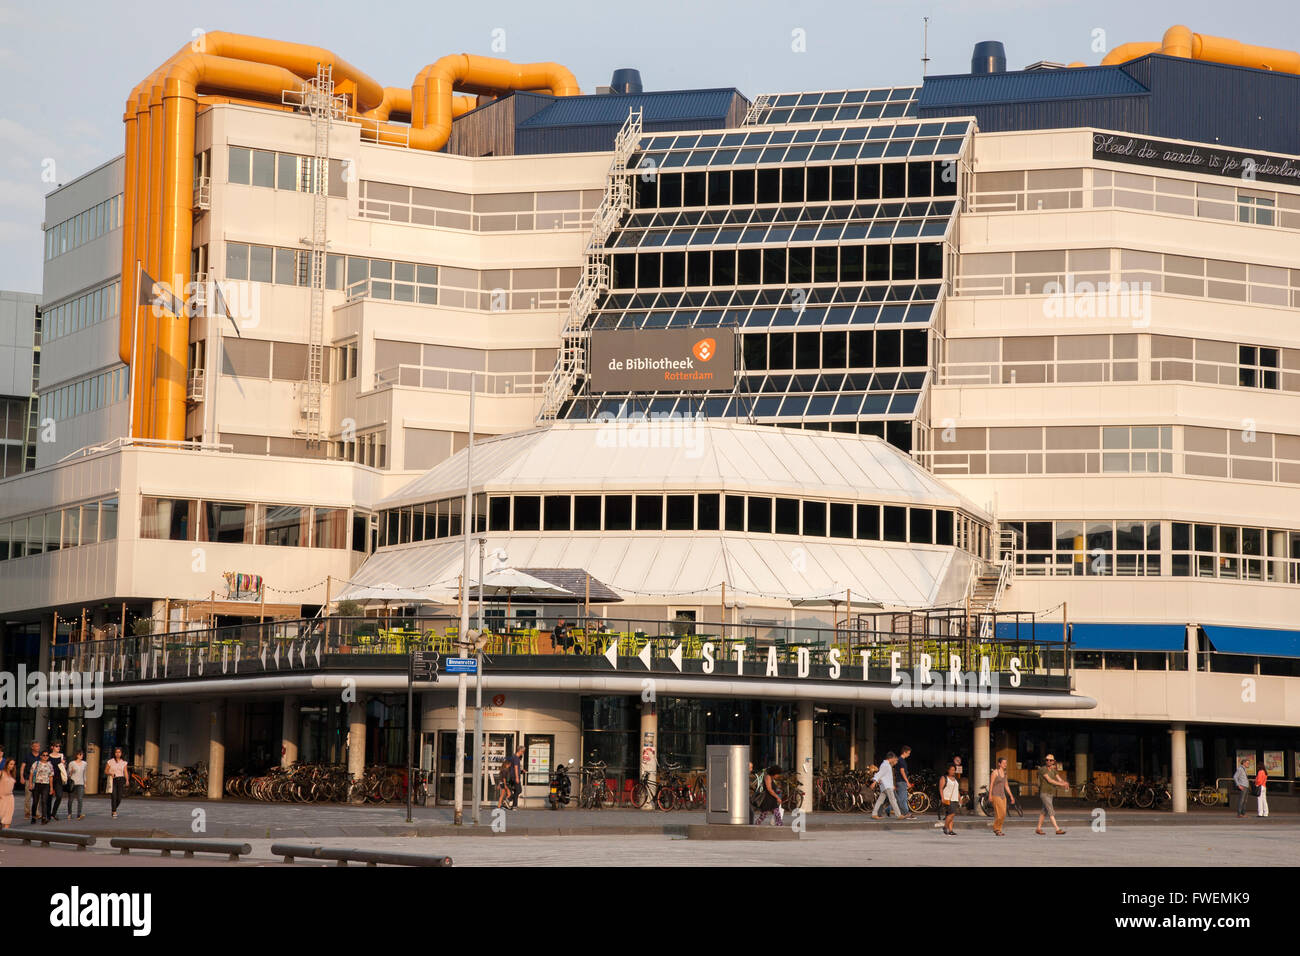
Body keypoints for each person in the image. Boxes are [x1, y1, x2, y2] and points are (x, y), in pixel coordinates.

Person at [1035, 754, 1069, 835]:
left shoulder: (1054, 770)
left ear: (1054, 761)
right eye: (1047, 760)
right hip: (1044, 793)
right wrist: (1061, 784)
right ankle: (1057, 829)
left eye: (1050, 760)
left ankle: (1038, 828)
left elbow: (1059, 779)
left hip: (1050, 793)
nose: (1048, 761)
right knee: (1051, 810)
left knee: (1044, 811)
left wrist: (1065, 783)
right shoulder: (1043, 769)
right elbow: (1049, 780)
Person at [871, 752, 903, 819]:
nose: (894, 760)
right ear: (890, 758)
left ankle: (874, 814)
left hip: (885, 785)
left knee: (880, 800)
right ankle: (898, 815)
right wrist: (874, 782)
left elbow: (884, 776)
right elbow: (879, 773)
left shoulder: (885, 764)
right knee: (893, 800)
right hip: (887, 786)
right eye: (894, 758)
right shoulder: (885, 765)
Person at [989, 756, 1014, 836]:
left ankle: (998, 829)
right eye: (1003, 763)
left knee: (1003, 813)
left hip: (1003, 795)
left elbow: (1006, 785)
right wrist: (990, 795)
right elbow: (991, 784)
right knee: (999, 813)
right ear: (999, 764)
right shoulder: (995, 772)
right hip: (996, 795)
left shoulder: (1005, 773)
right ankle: (996, 829)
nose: (1005, 764)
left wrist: (1011, 796)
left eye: (1006, 763)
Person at [30, 751, 54, 824]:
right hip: (37, 784)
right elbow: (31, 774)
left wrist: (51, 787)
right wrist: (30, 784)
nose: (45, 756)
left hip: (45, 784)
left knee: (44, 801)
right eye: (44, 755)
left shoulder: (50, 765)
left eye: (47, 755)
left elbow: (51, 777)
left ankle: (44, 817)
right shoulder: (36, 763)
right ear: (40, 756)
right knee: (35, 801)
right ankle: (33, 817)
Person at [497, 746, 524, 811]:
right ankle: (509, 801)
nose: (523, 753)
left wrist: (522, 771)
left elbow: (512, 768)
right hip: (515, 777)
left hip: (513, 777)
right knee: (518, 790)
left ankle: (513, 805)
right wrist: (517, 777)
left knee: (517, 791)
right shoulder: (516, 758)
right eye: (523, 751)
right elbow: (516, 768)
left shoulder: (513, 757)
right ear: (520, 751)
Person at [106, 747, 129, 819]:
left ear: (121, 753)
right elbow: (106, 771)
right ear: (114, 753)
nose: (118, 754)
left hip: (121, 779)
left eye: (119, 752)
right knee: (114, 796)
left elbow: (125, 771)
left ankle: (114, 808)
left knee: (119, 797)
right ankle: (114, 811)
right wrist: (110, 773)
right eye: (116, 752)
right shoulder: (110, 761)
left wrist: (127, 780)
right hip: (113, 779)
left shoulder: (124, 762)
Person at [19, 741, 39, 823]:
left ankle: (36, 813)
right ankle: (27, 812)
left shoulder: (41, 756)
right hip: (28, 778)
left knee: (37, 797)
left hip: (38, 779)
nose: (38, 747)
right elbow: (23, 766)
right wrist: (21, 777)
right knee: (28, 796)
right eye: (36, 746)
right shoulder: (28, 756)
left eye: (38, 746)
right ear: (32, 747)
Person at [66, 750, 87, 821]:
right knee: (71, 799)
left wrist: (85, 782)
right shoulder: (72, 763)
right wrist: (71, 771)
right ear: (77, 755)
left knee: (80, 799)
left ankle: (79, 814)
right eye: (80, 754)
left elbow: (84, 774)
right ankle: (69, 813)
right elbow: (68, 774)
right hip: (73, 783)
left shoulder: (84, 763)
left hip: (80, 783)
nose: (82, 756)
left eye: (82, 754)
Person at [940, 763, 961, 835]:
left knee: (951, 815)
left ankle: (950, 830)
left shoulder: (956, 779)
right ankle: (945, 827)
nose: (953, 771)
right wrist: (942, 798)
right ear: (948, 770)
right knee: (952, 814)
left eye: (954, 770)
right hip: (947, 799)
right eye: (951, 770)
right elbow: (940, 788)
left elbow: (956, 789)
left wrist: (959, 798)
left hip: (955, 799)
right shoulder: (944, 778)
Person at [895, 745, 915, 819]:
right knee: (903, 798)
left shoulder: (898, 760)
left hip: (899, 781)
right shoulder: (901, 760)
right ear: (904, 752)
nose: (909, 755)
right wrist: (907, 781)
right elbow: (902, 771)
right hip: (902, 781)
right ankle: (906, 813)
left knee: (900, 798)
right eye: (908, 753)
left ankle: (889, 809)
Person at [48, 741, 66, 820]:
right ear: (52, 747)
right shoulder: (48, 756)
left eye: (59, 746)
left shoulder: (61, 756)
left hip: (58, 778)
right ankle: (47, 814)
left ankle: (53, 813)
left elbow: (64, 767)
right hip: (49, 778)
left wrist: (63, 764)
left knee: (59, 796)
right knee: (49, 797)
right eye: (56, 746)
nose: (58, 747)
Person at [0, 760, 17, 828]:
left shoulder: (12, 775)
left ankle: (6, 834)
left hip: (10, 797)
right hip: (1, 797)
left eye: (13, 764)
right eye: (10, 764)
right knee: (1, 816)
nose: (12, 766)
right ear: (6, 764)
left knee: (8, 818)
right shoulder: (1, 773)